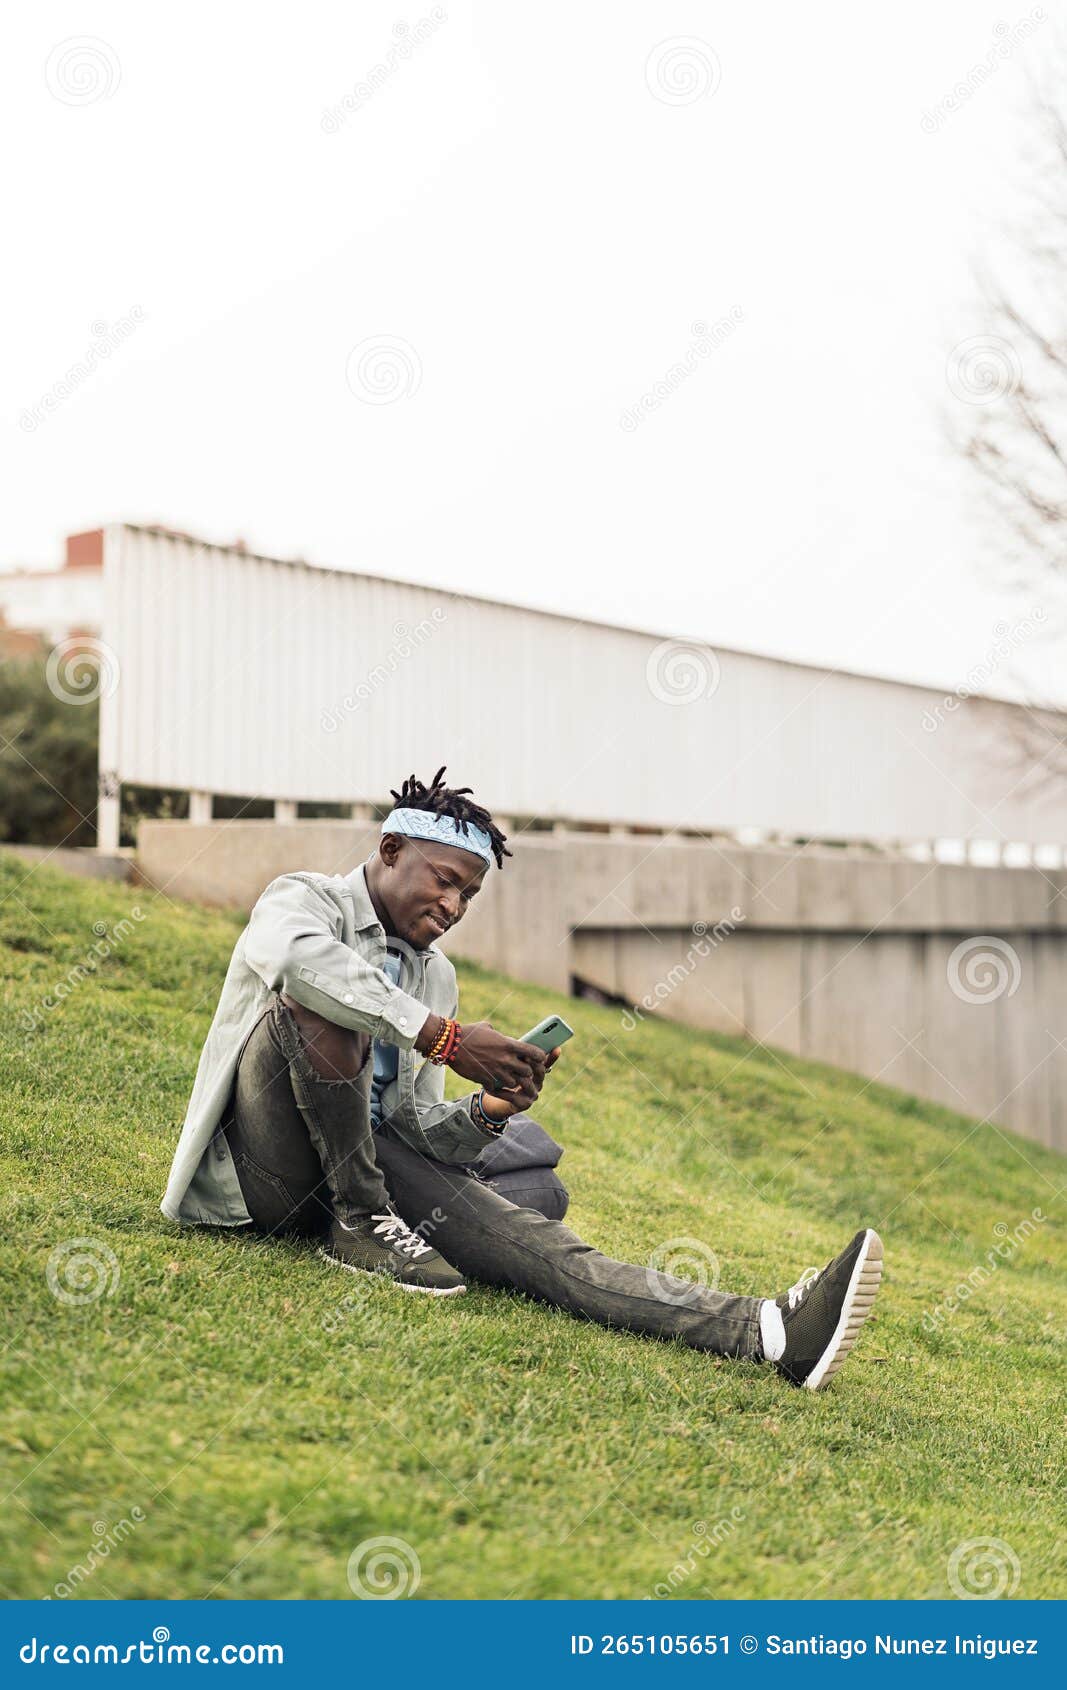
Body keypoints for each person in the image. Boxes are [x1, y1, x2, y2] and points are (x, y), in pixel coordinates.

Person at [161, 766, 883, 1391]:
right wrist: (441, 1037)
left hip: (373, 1164)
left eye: (468, 896)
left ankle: (769, 1332)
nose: (452, 907)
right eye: (444, 881)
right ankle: (359, 1221)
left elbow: (411, 1123)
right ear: (389, 850)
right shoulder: (306, 900)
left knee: (537, 1211)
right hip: (269, 1173)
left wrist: (489, 1111)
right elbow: (294, 964)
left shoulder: (433, 975)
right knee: (328, 1002)